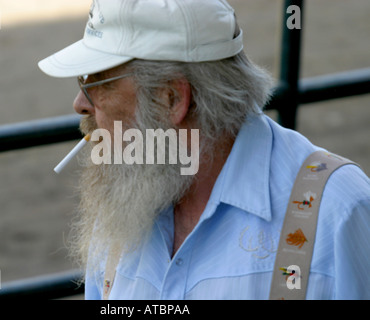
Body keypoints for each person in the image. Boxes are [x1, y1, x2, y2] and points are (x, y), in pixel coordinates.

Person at [38, 0, 370, 299]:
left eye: (95, 83)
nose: (80, 104)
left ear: (170, 98)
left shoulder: (337, 213)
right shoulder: (124, 204)